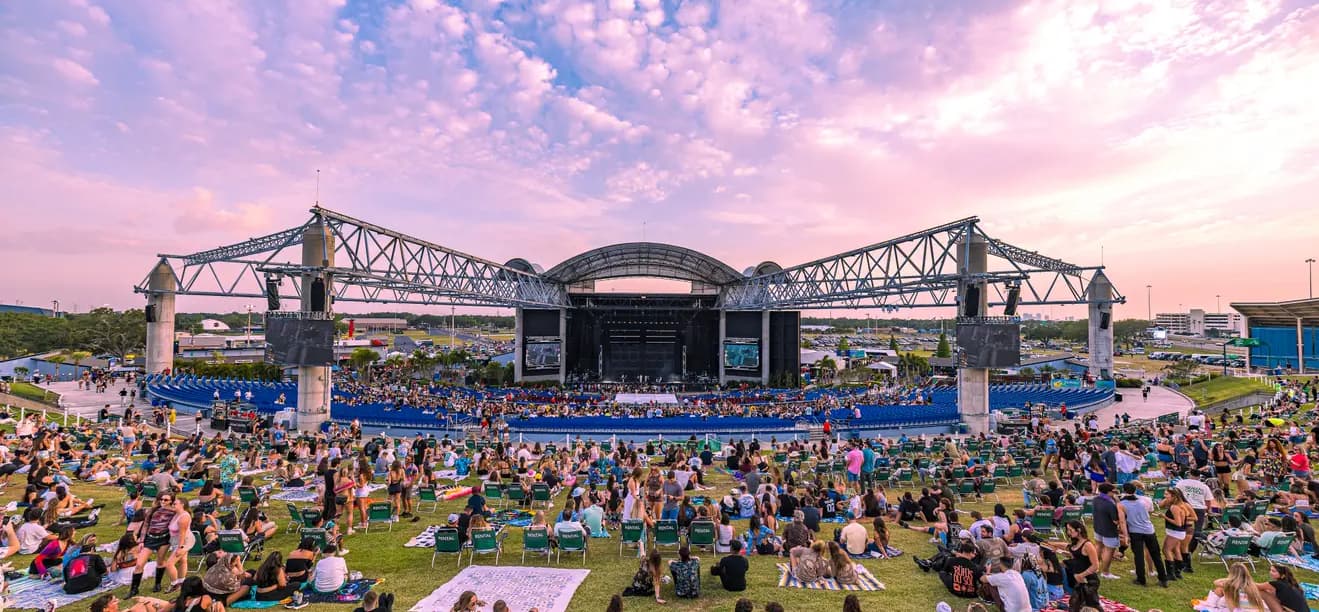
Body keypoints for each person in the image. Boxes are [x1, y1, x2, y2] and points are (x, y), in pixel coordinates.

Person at [1118, 482, 1167, 587]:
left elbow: (1122, 521)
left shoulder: (1121, 504)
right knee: (1156, 555)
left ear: (1124, 491)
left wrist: (1126, 535)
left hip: (1135, 531)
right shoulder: (1143, 501)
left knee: (1139, 555)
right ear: (1135, 490)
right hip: (1149, 530)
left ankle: (1141, 579)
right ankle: (1163, 578)